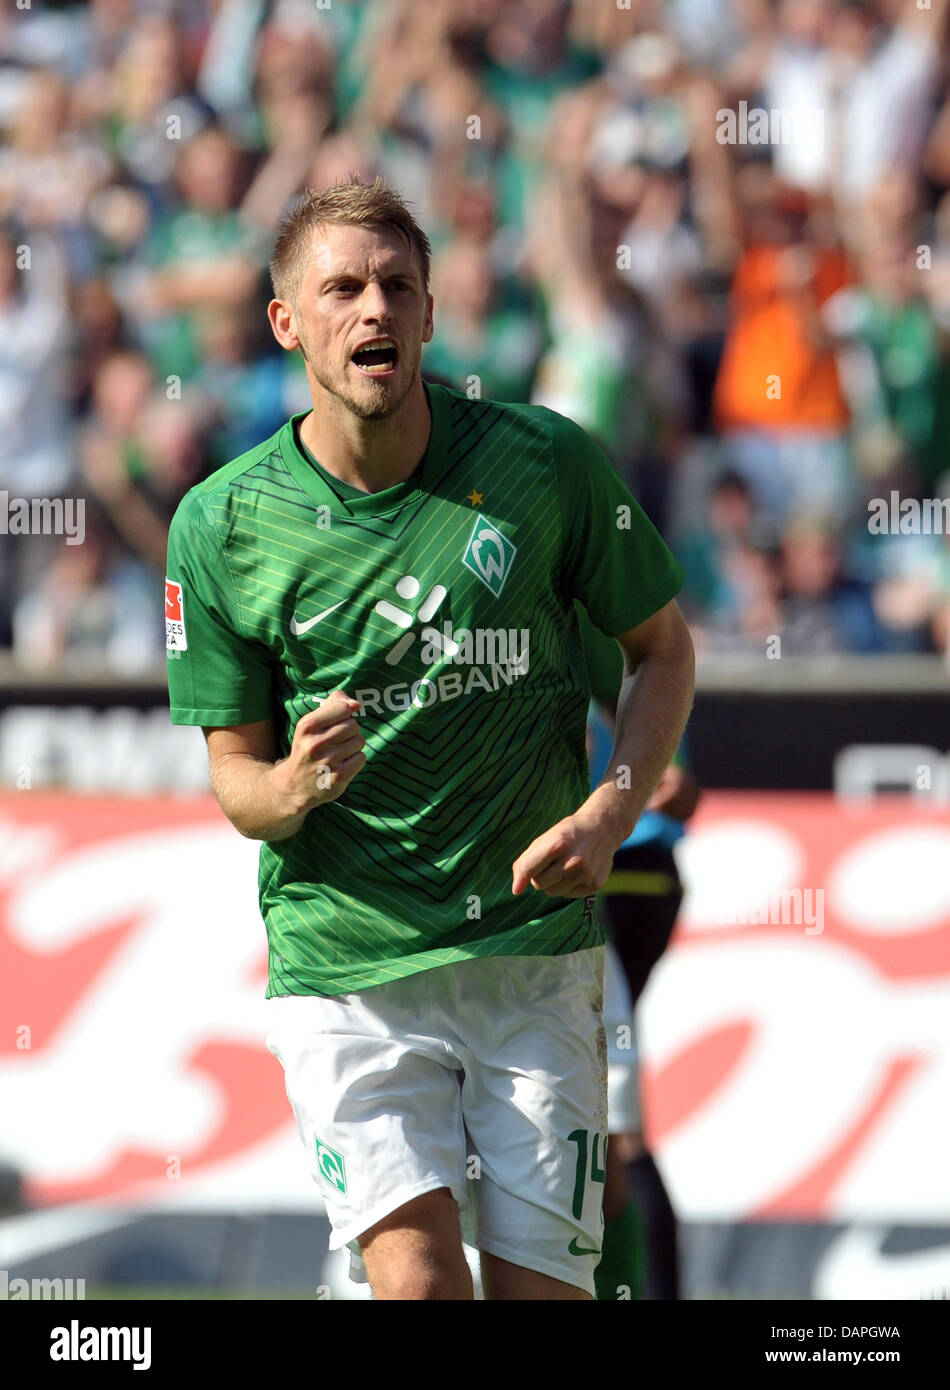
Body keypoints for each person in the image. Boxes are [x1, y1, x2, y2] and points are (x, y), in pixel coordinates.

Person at [164, 174, 694, 1301]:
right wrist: (299, 782)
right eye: (342, 288)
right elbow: (236, 787)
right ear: (286, 324)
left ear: (431, 315)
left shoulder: (544, 465)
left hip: (533, 953)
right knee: (412, 1288)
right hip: (347, 963)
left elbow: (663, 649)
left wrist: (613, 806)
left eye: (397, 286)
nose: (374, 310)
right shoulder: (219, 524)